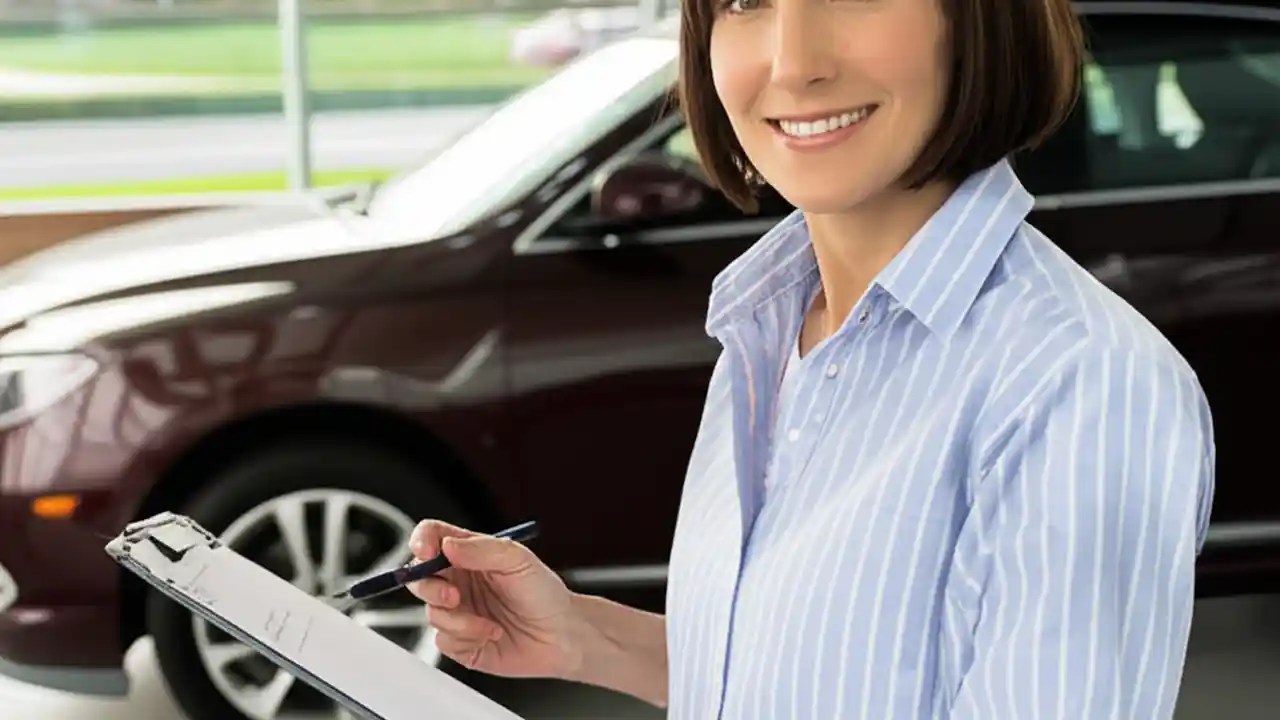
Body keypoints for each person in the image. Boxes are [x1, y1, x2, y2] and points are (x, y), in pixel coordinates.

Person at [407, 0, 1217, 717]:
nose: (794, 63)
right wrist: (588, 637)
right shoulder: (769, 330)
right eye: (744, 0)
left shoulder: (1082, 383)